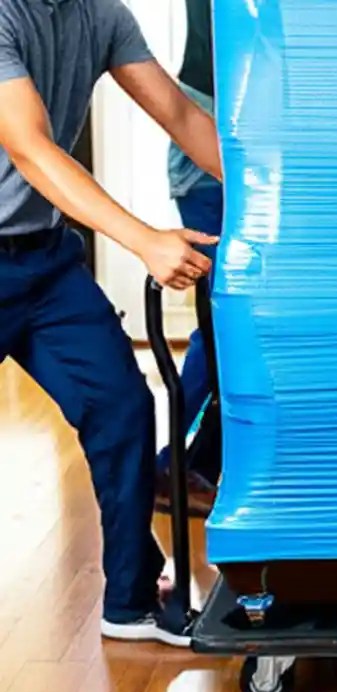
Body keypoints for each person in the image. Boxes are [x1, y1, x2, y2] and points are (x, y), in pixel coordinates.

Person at [0, 0, 222, 646]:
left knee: (122, 407)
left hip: (45, 264)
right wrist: (145, 240)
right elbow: (30, 146)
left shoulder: (102, 16)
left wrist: (279, 192)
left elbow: (180, 114)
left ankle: (129, 601)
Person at [154, 0, 221, 520]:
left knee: (234, 326)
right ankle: (173, 466)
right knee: (222, 324)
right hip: (211, 144)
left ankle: (202, 461)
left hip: (230, 136)